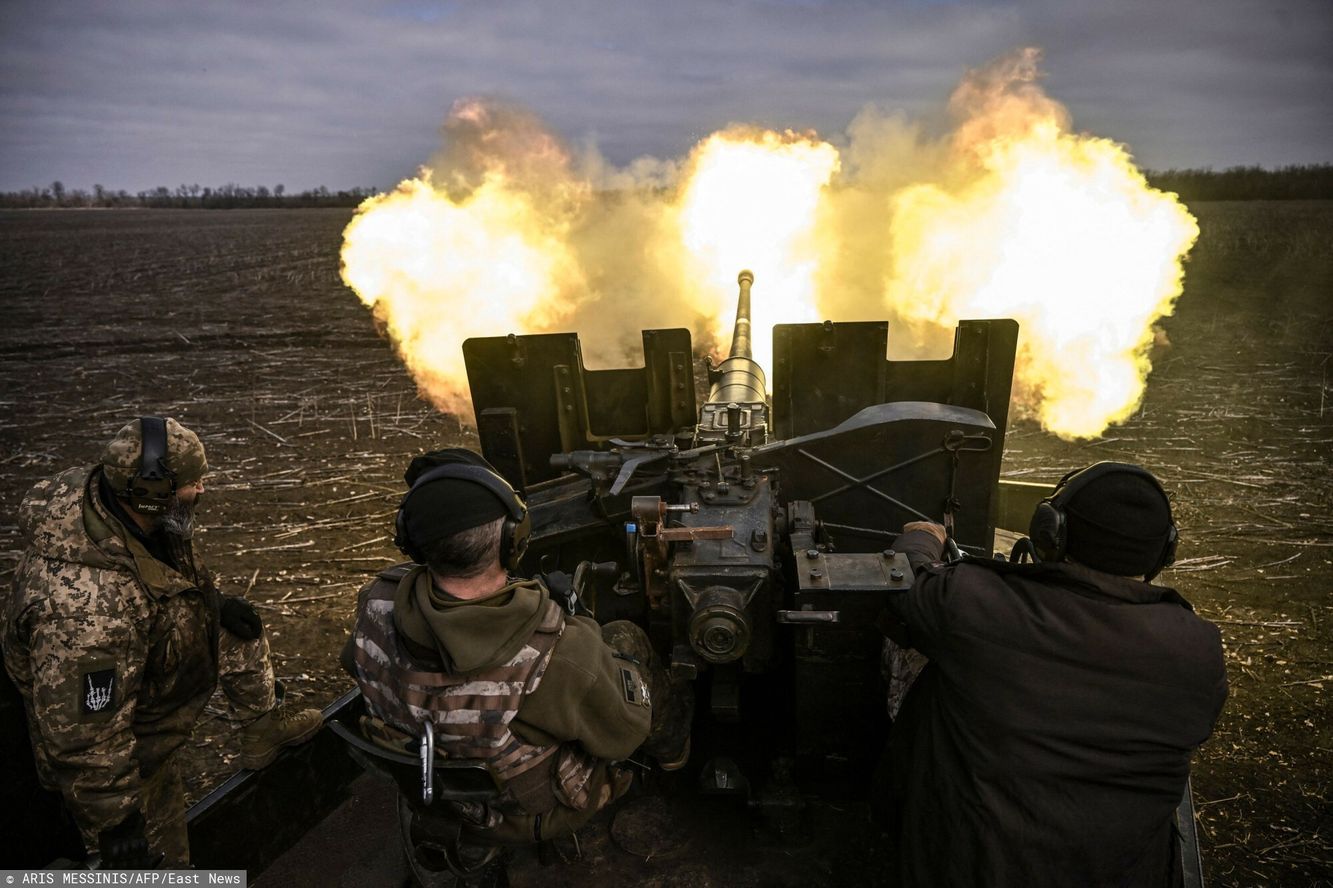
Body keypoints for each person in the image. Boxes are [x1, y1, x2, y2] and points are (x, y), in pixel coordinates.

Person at [342, 448, 691, 878]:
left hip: (437, 793)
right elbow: (622, 736)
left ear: (412, 543)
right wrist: (577, 624)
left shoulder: (376, 601)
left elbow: (355, 664)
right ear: (514, 540)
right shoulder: (555, 650)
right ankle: (676, 756)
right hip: (526, 815)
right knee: (625, 638)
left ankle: (473, 844)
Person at [878, 461, 1227, 887]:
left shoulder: (981, 607)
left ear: (1050, 532)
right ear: (1164, 552)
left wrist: (920, 538)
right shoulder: (1199, 648)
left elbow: (904, 590)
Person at [1, 416, 323, 868]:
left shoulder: (133, 511)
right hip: (113, 741)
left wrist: (212, 604)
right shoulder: (88, 612)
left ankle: (261, 728)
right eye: (194, 482)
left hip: (136, 665)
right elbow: (84, 732)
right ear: (152, 492)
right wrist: (116, 820)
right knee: (162, 866)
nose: (203, 490)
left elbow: (160, 581)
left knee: (235, 623)